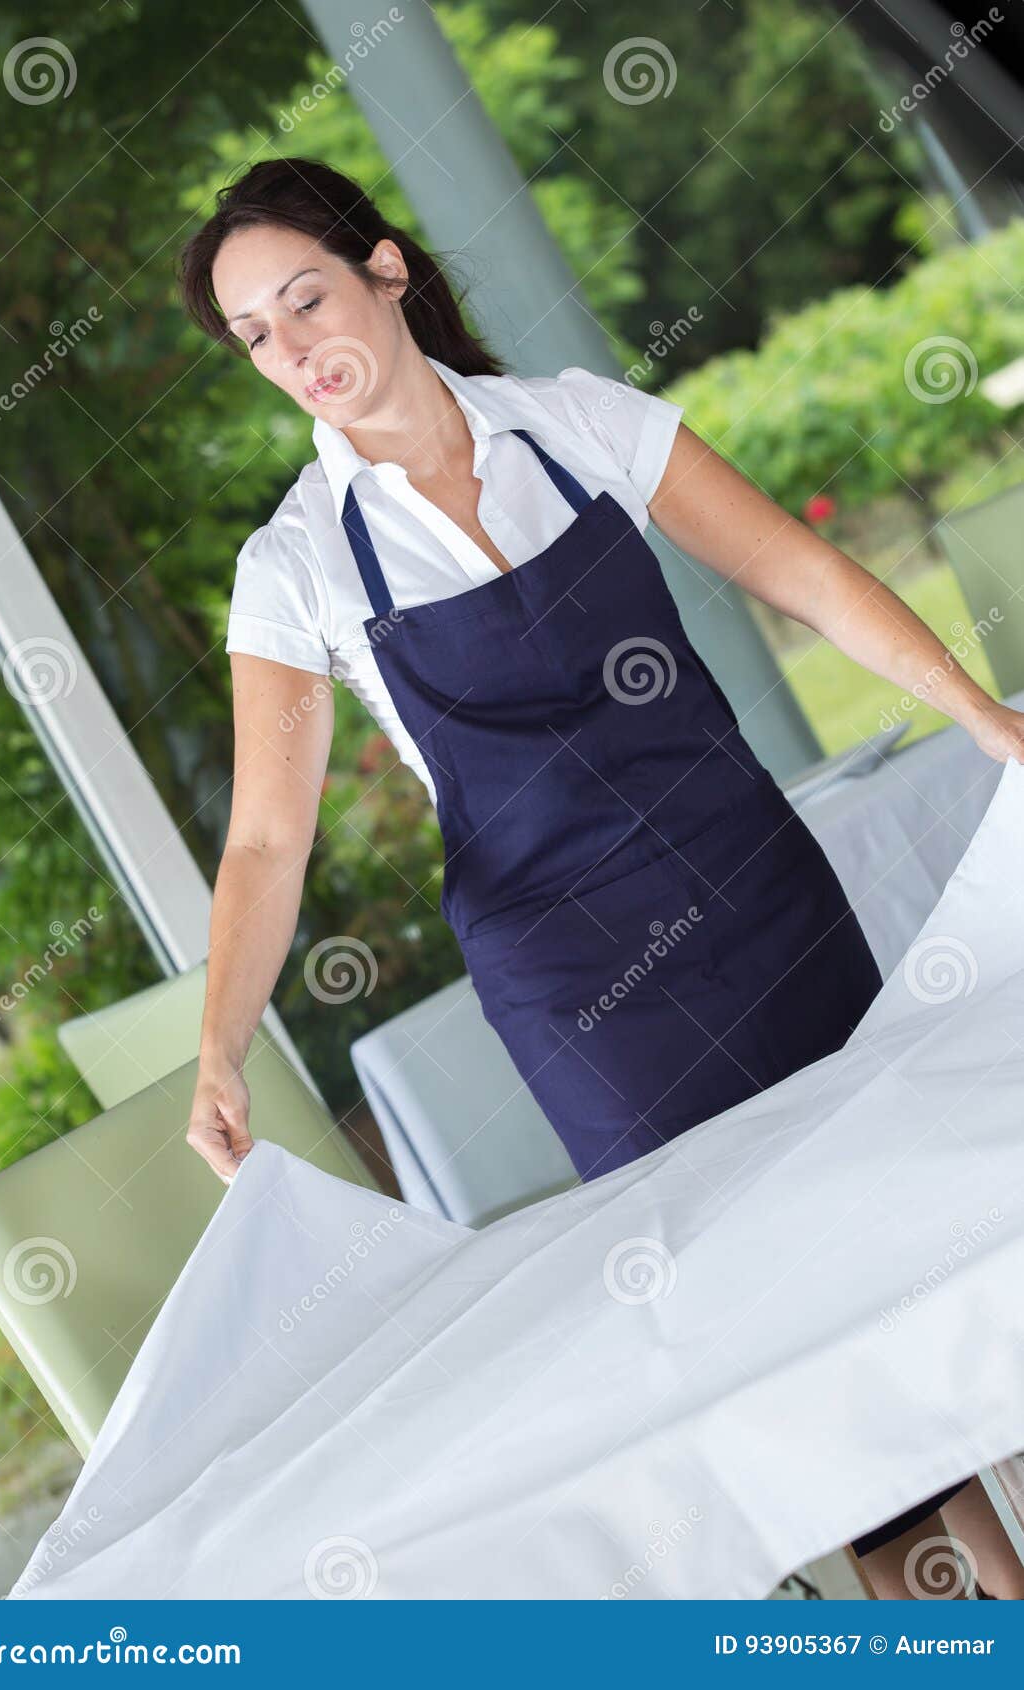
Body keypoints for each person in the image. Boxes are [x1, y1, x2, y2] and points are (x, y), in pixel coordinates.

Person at [177, 158, 1024, 1600]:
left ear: (384, 270)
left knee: (915, 1245)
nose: (290, 349)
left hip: (756, 890)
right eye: (255, 335)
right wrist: (222, 1042)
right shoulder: (302, 564)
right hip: (588, 994)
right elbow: (267, 838)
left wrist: (992, 721)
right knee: (784, 1330)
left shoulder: (576, 424)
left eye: (304, 297)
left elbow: (806, 577)